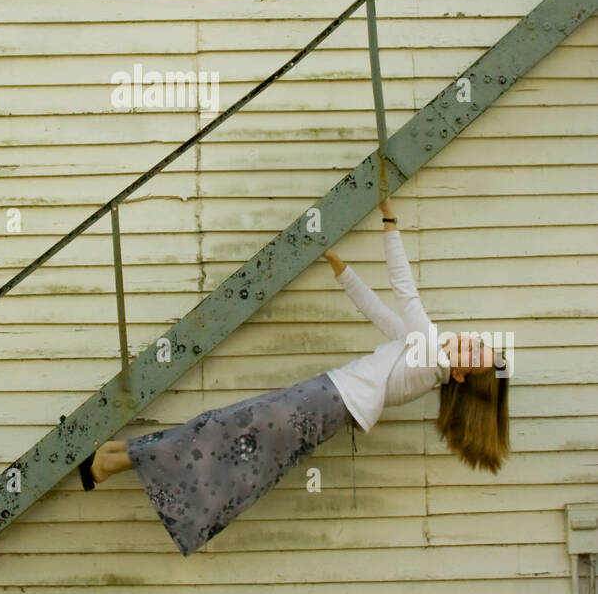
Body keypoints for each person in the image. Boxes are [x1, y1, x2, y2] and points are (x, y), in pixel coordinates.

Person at [78, 196, 510, 556]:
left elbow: (404, 289)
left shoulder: (431, 352)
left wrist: (389, 219)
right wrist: (340, 268)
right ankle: (116, 458)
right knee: (230, 442)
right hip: (324, 404)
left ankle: (117, 460)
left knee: (223, 433)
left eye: (474, 356)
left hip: (324, 402)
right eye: (476, 342)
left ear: (458, 376)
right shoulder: (423, 356)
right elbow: (380, 313)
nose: (468, 344)